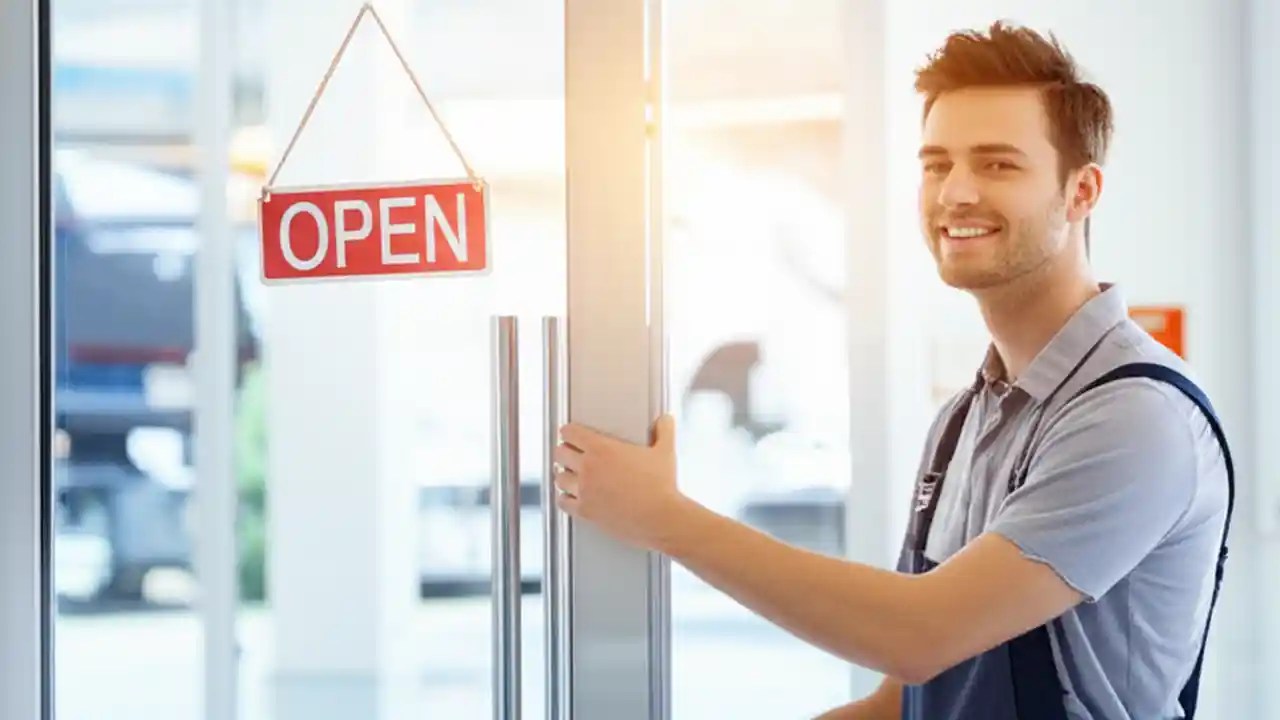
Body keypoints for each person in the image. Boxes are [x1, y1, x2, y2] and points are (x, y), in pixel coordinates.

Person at [552, 20, 1233, 720]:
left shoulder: (1134, 416)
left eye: (998, 165)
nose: (955, 193)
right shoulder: (962, 422)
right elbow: (903, 701)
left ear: (1081, 191)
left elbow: (919, 635)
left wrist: (663, 518)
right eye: (937, 165)